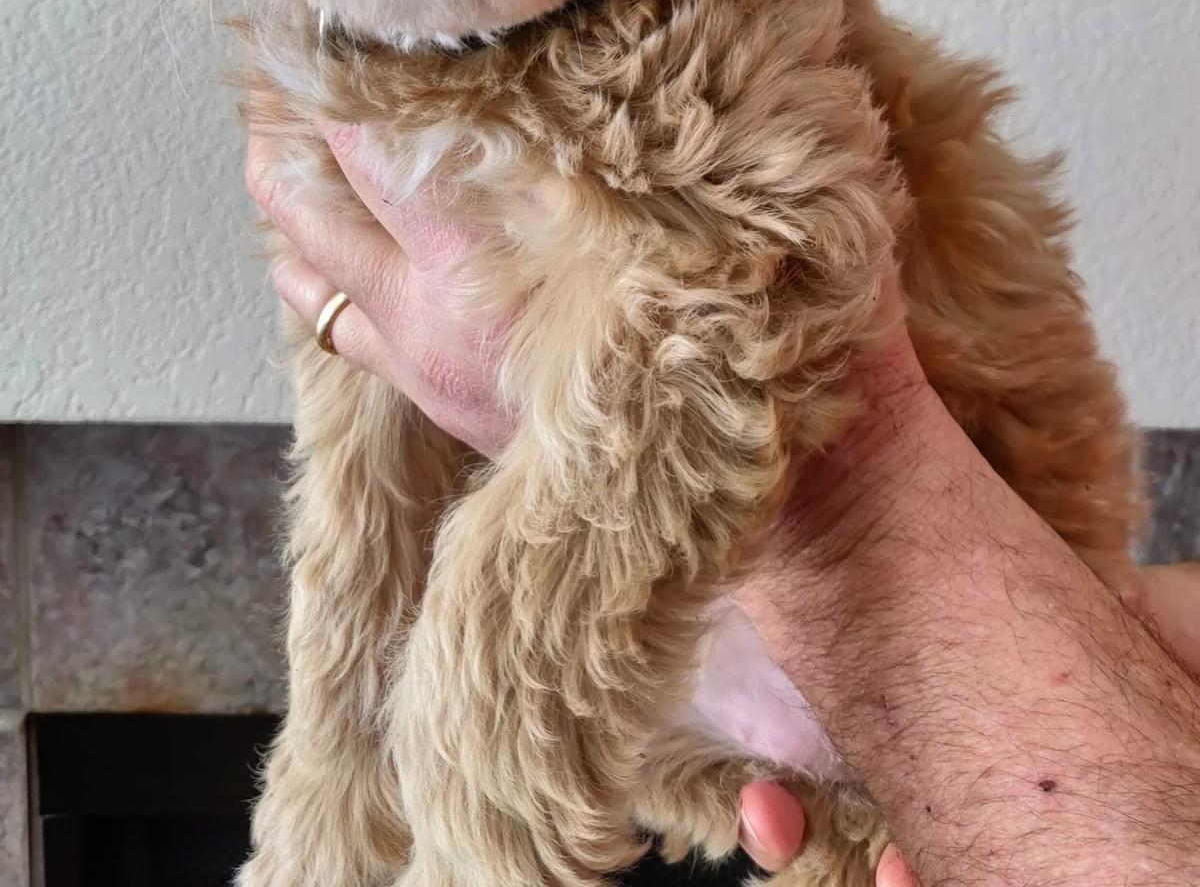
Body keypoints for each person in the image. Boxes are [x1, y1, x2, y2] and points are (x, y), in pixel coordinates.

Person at [247, 122, 1200, 886]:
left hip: (919, 629)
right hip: (949, 691)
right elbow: (362, 492)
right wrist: (336, 767)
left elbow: (734, 309)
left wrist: (481, 819)